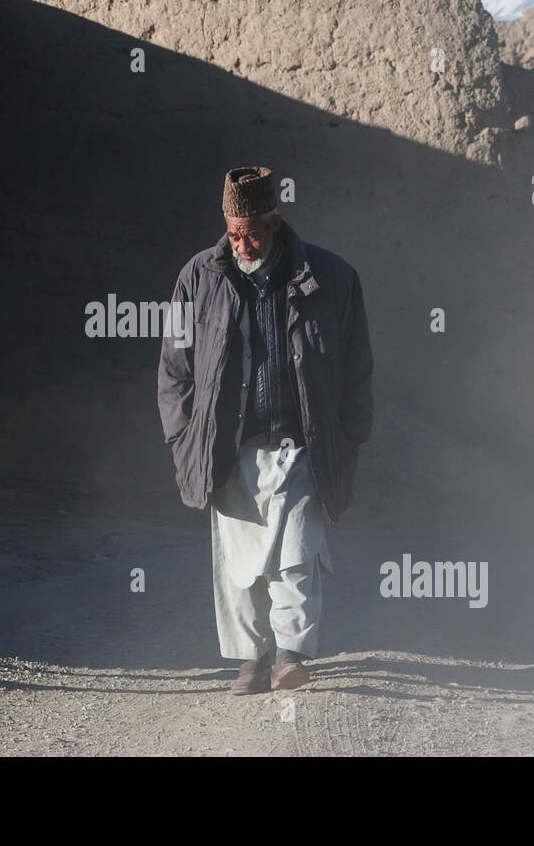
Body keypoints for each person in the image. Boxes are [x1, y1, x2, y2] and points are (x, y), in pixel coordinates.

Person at [157, 166, 373, 694]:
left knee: (297, 554)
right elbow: (174, 369)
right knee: (238, 566)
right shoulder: (198, 277)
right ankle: (249, 660)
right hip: (229, 447)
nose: (242, 242)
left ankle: (291, 655)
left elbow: (357, 364)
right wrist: (184, 436)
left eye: (251, 230)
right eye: (233, 232)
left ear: (275, 221)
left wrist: (348, 434)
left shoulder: (331, 277)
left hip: (301, 444)